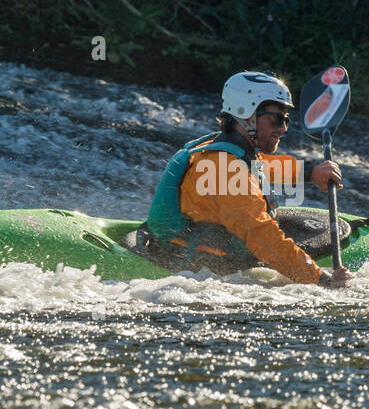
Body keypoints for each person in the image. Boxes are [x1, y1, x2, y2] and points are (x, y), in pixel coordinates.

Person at [143, 71, 352, 287]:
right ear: (246, 114)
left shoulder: (229, 154)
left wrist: (309, 173)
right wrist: (322, 280)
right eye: (277, 119)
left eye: (286, 120)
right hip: (198, 270)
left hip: (213, 250)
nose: (283, 128)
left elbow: (257, 171)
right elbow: (260, 235)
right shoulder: (222, 166)